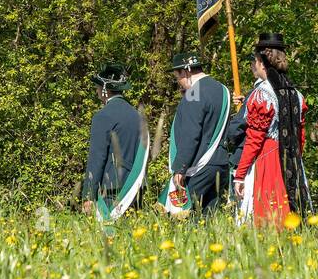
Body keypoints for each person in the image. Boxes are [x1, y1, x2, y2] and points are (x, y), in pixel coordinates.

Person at [233, 33, 308, 226]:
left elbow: (254, 140)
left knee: (267, 212)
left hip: (267, 159)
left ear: (260, 61)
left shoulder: (261, 94)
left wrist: (240, 174)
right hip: (292, 160)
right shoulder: (296, 93)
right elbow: (301, 137)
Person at [160, 51, 232, 216]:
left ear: (186, 72)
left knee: (181, 216)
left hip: (199, 165)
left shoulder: (193, 93)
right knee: (209, 219)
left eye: (178, 77)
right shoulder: (223, 90)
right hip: (220, 163)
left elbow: (191, 135)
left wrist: (180, 168)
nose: (179, 83)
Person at [82, 63, 148, 220]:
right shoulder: (137, 116)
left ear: (105, 89)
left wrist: (89, 195)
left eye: (97, 86)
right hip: (136, 186)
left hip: (112, 189)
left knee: (109, 238)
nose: (96, 90)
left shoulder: (103, 116)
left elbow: (97, 158)